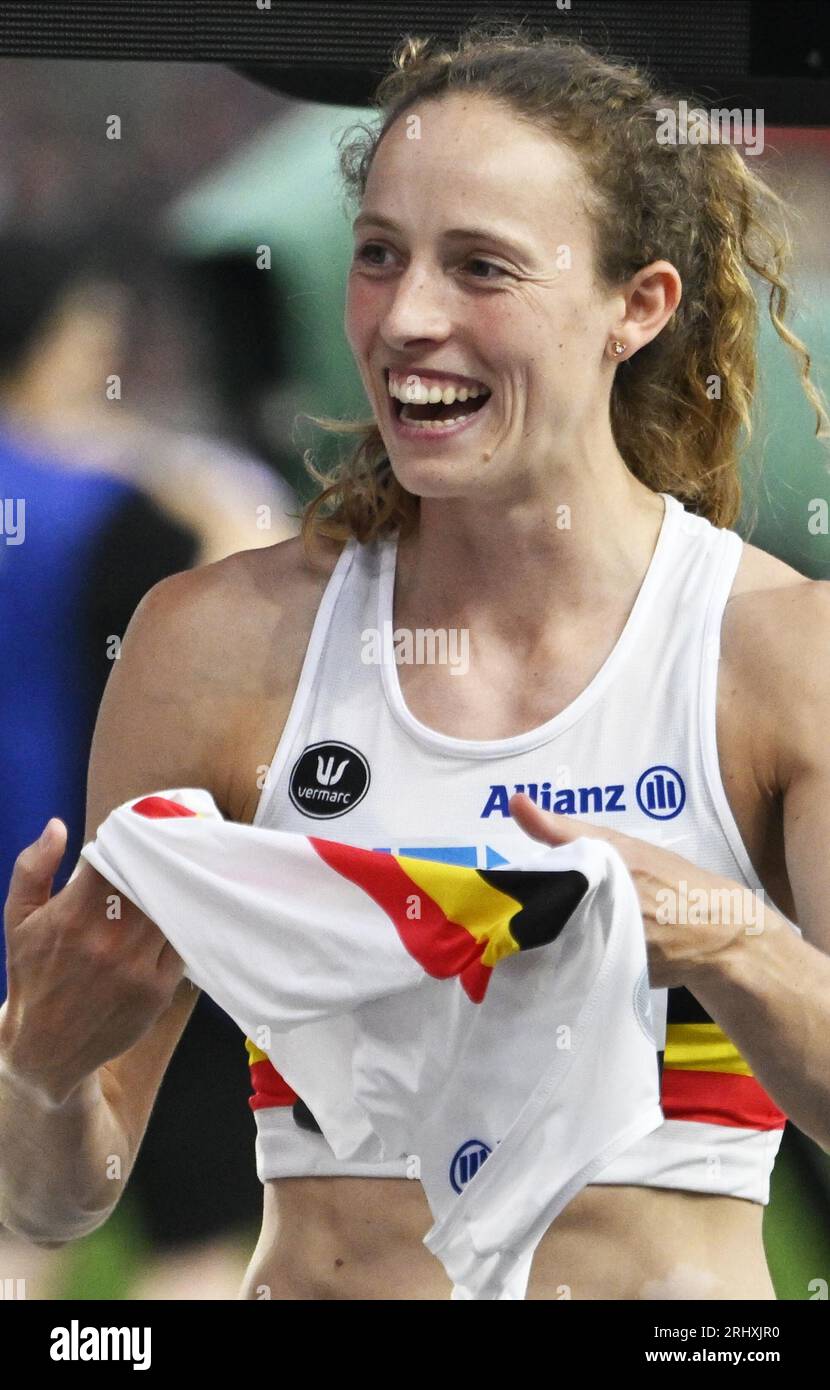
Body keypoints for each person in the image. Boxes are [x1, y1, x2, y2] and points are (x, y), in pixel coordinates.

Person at [1, 26, 829, 1301]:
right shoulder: (216, 645)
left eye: (480, 267)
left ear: (637, 306)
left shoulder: (773, 651)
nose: (405, 319)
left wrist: (719, 935)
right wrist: (43, 1069)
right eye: (377, 255)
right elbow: (57, 1202)